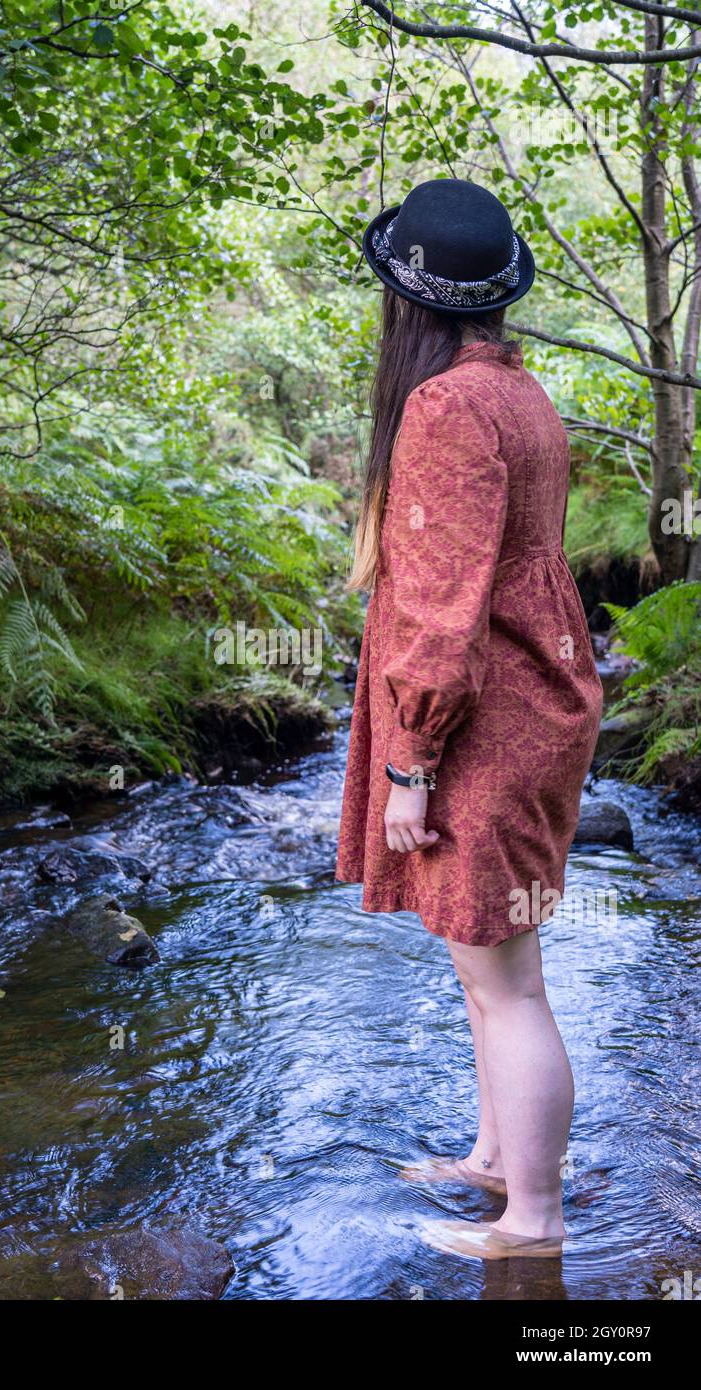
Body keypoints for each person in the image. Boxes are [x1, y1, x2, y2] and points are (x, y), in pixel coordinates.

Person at [335, 178, 603, 1259]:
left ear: (409, 302)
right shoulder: (517, 390)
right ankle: (495, 1160)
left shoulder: (444, 407)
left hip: (485, 720)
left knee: (506, 984)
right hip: (537, 699)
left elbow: (441, 619)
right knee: (488, 965)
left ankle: (529, 1223)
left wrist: (408, 767)